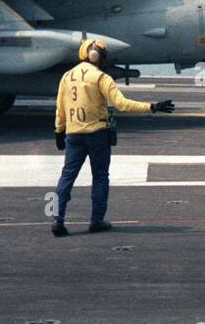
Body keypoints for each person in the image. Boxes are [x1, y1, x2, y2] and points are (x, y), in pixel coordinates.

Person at [53, 39, 174, 236]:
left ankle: (57, 219)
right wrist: (152, 107)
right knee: (100, 177)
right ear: (98, 56)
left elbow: (61, 108)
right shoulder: (101, 78)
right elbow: (122, 104)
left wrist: (59, 131)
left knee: (67, 176)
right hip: (97, 135)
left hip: (73, 135)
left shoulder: (67, 76)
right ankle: (97, 220)